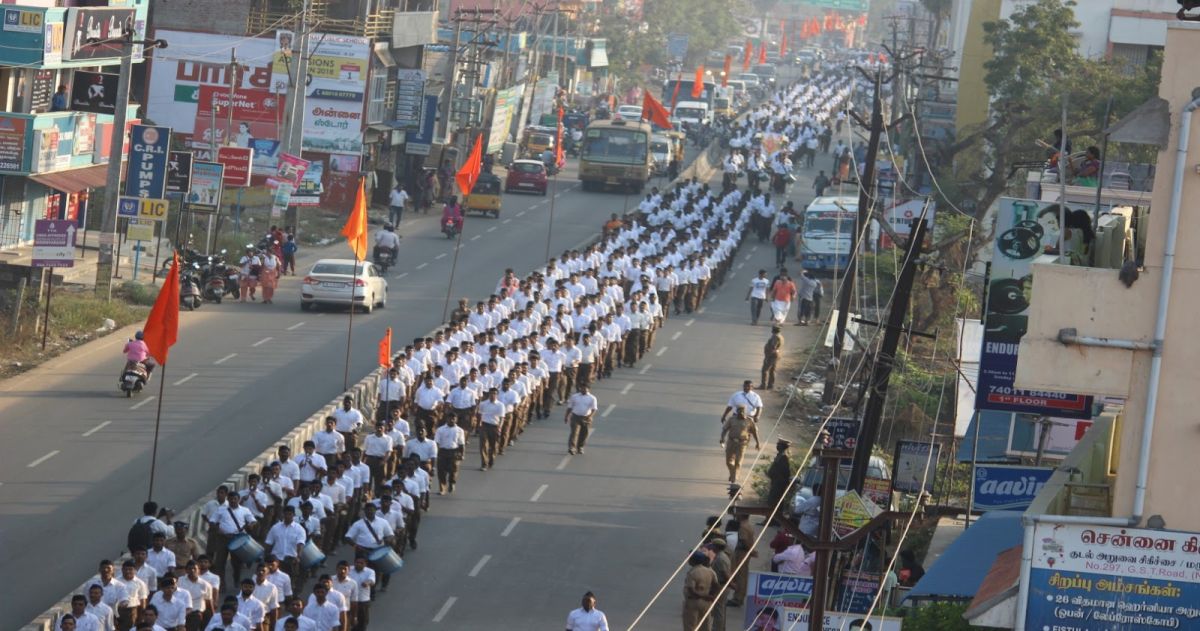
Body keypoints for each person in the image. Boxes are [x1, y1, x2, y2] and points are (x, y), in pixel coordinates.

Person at [719, 407, 760, 483]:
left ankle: (734, 477)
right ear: (737, 412)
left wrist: (757, 443)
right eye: (739, 411)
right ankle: (732, 473)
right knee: (729, 462)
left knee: (738, 461)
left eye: (742, 412)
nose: (741, 413)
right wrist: (722, 439)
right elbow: (725, 429)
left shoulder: (749, 421)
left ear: (745, 412)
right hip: (731, 442)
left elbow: (754, 432)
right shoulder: (731, 419)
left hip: (742, 444)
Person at [682, 551, 717, 631]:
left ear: (694, 561)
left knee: (690, 626)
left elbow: (691, 590)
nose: (688, 560)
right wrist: (711, 596)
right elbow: (716, 585)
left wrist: (702, 596)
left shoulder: (693, 572)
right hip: (706, 603)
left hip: (693, 602)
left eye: (690, 559)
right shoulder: (710, 571)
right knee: (704, 626)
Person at [432, 414, 465, 495]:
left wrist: (462, 454)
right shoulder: (440, 430)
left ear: (456, 419)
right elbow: (436, 443)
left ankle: (452, 482)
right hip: (443, 452)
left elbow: (462, 444)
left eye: (453, 418)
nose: (452, 420)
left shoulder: (460, 430)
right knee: (441, 472)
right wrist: (435, 453)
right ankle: (442, 488)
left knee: (453, 470)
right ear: (447, 419)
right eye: (450, 418)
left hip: (454, 452)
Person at [564, 383, 598, 455]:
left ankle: (580, 447)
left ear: (588, 389)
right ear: (580, 388)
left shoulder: (592, 398)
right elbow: (570, 407)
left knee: (584, 433)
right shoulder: (575, 397)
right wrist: (566, 416)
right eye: (582, 388)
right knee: (574, 432)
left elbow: (594, 409)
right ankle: (572, 448)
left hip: (586, 418)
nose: (583, 390)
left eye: (585, 388)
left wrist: (590, 416)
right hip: (575, 417)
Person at [766, 440, 793, 518]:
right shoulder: (780, 455)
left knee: (773, 501)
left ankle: (771, 519)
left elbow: (785, 472)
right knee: (774, 500)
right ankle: (773, 519)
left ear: (782, 447)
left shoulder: (784, 457)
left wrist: (775, 476)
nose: (777, 446)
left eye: (779, 445)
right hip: (776, 482)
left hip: (779, 483)